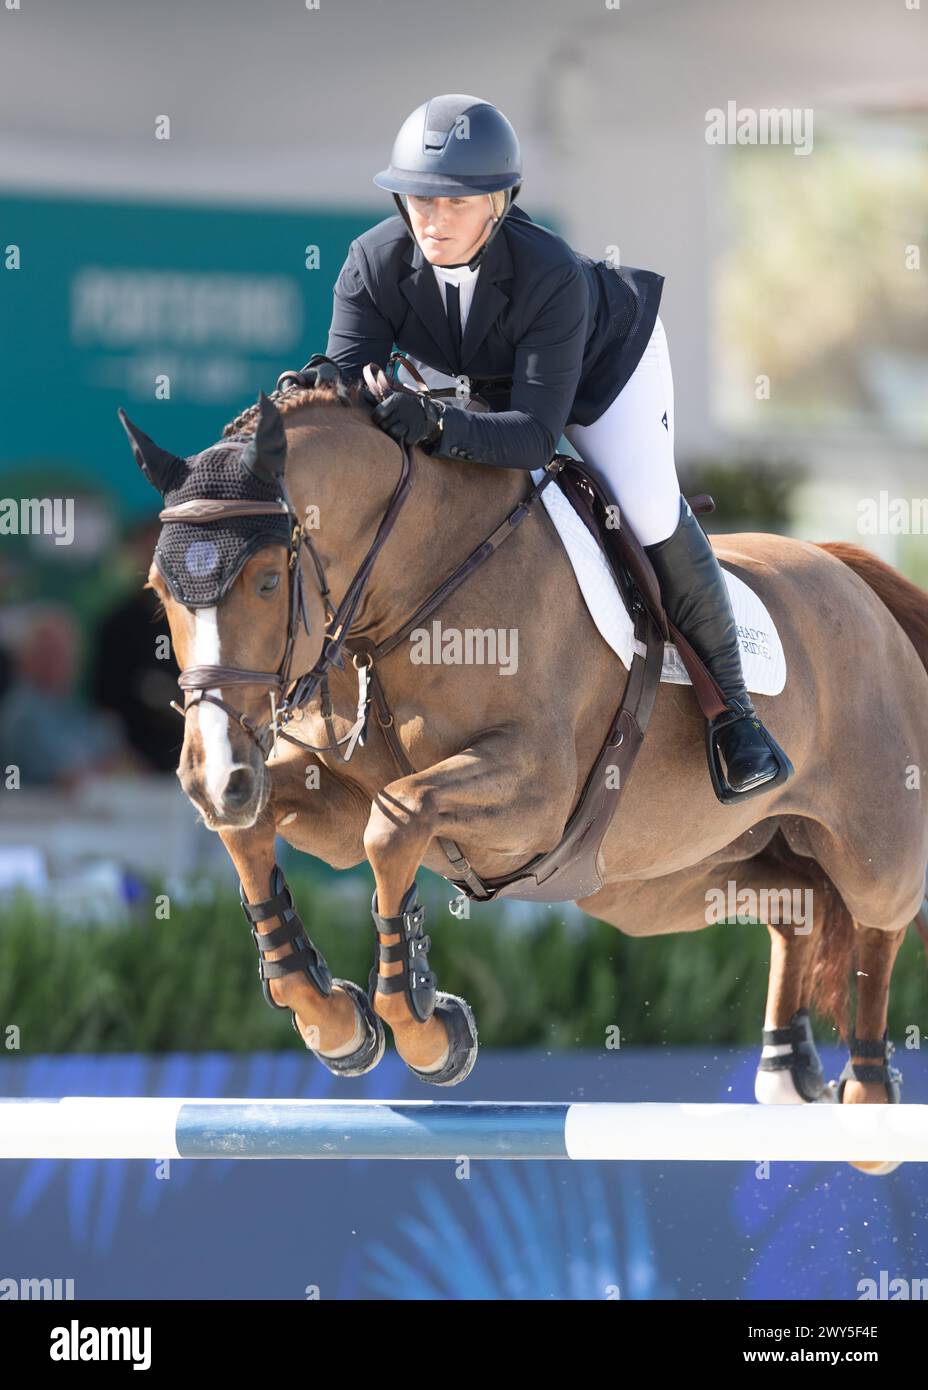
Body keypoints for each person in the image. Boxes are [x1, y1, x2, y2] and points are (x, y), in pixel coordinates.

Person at [321, 93, 792, 801]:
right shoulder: (372, 262)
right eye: (419, 198)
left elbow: (537, 437)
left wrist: (439, 426)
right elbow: (344, 377)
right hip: (491, 381)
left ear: (500, 202)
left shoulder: (550, 274)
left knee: (648, 507)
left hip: (606, 373)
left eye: (456, 203)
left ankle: (736, 717)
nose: (432, 218)